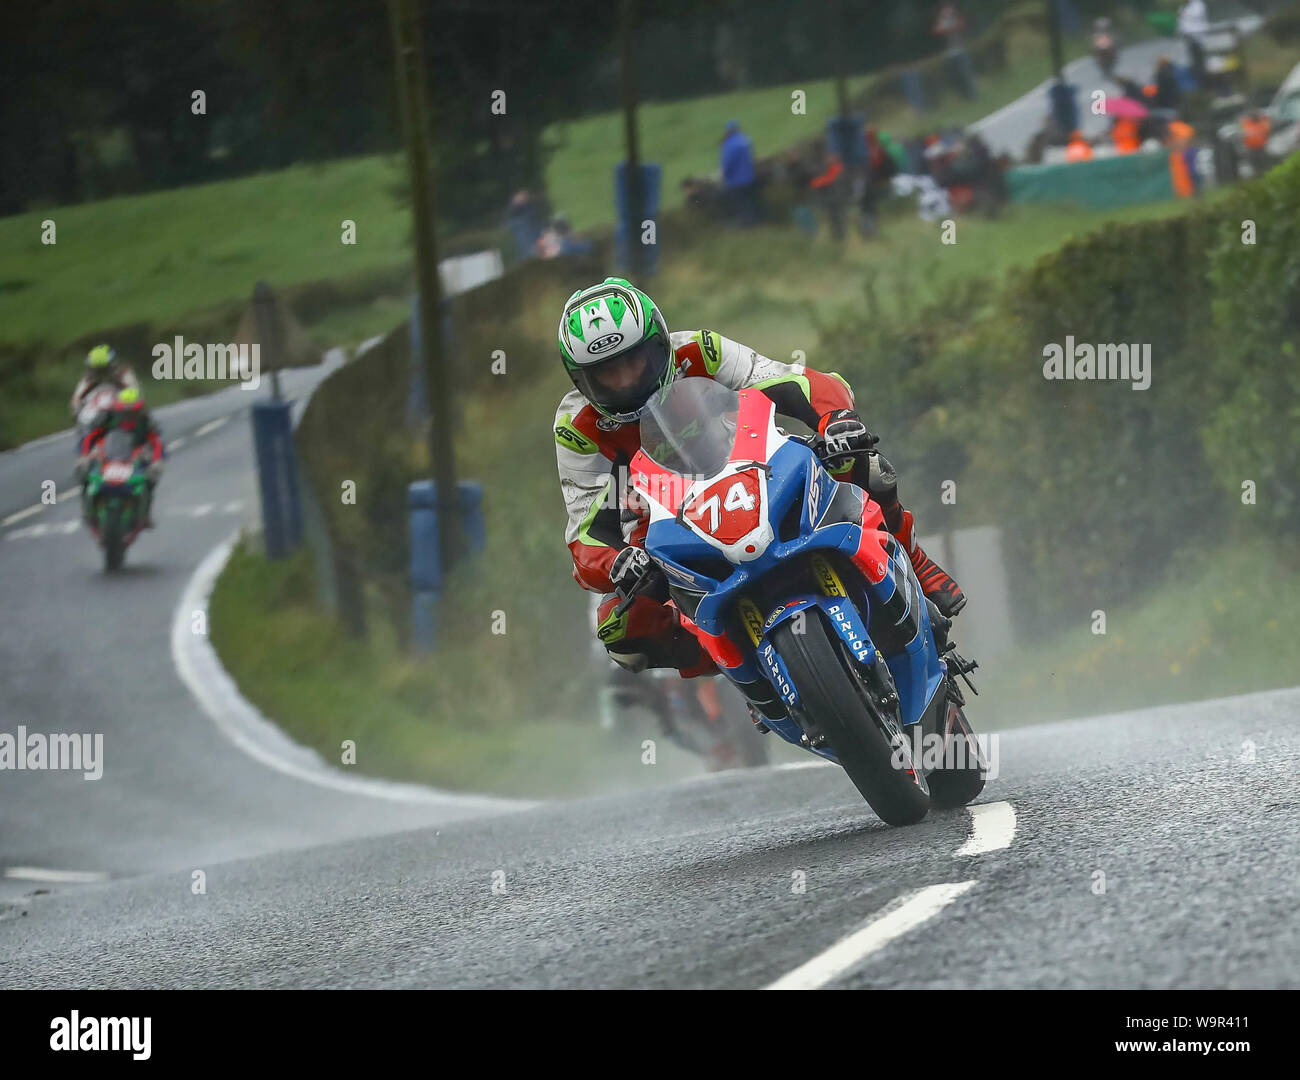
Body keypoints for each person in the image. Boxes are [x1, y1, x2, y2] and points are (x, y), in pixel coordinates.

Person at [552, 277, 966, 724]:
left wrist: (835, 419)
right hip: (666, 523)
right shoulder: (576, 428)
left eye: (635, 361)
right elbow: (584, 526)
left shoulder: (699, 351)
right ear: (581, 380)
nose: (626, 380)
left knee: (865, 464)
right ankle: (744, 665)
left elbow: (789, 379)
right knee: (621, 629)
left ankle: (914, 562)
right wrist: (615, 561)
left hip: (758, 467)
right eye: (607, 374)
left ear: (660, 343)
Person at [76, 386, 165, 528]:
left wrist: (157, 461)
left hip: (136, 453)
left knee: (151, 478)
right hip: (109, 452)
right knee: (82, 472)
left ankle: (145, 514)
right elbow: (90, 437)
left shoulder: (145, 422)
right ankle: (87, 509)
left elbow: (156, 442)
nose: (129, 416)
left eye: (133, 412)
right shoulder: (107, 419)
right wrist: (84, 456)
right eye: (124, 411)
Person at [69, 344, 138, 417]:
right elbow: (76, 399)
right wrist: (77, 408)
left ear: (112, 365)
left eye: (104, 369)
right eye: (97, 370)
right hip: (93, 415)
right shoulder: (88, 379)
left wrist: (126, 399)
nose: (101, 373)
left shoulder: (123, 374)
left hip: (121, 413)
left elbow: (135, 391)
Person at [719, 121, 759, 226]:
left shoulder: (728, 144)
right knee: (750, 202)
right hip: (750, 177)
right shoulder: (746, 140)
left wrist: (724, 177)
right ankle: (756, 222)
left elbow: (727, 163)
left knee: (741, 204)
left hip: (735, 181)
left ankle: (747, 225)